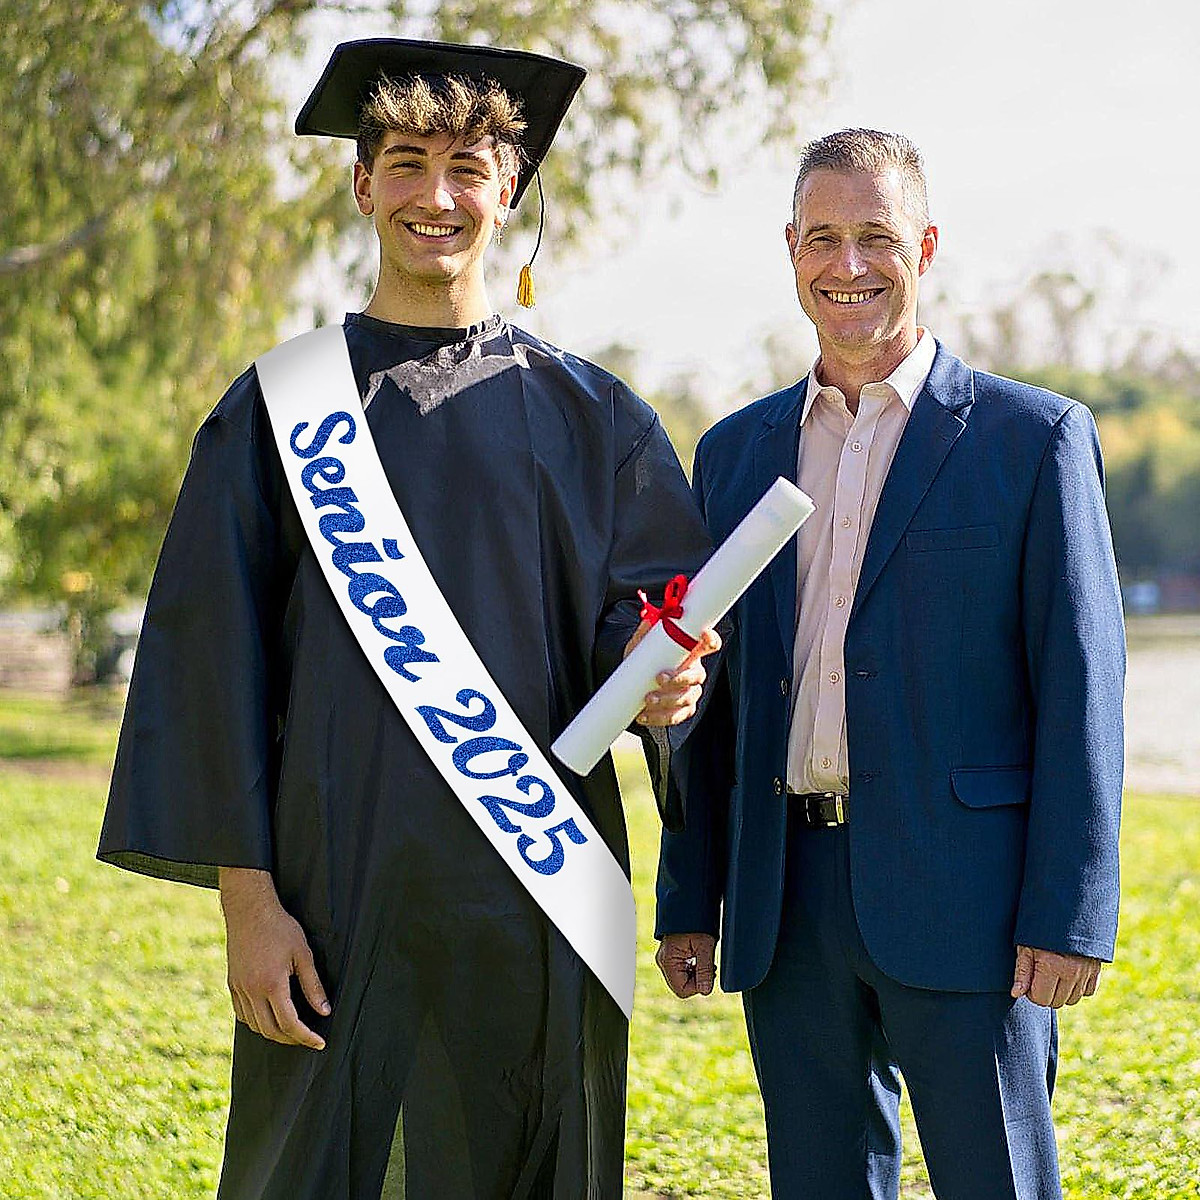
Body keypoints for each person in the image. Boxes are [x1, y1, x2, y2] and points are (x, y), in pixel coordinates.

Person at [99, 39, 716, 1200]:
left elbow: (646, 650)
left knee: (530, 1158)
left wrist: (668, 689)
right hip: (334, 896)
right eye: (406, 161)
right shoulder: (280, 410)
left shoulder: (599, 423)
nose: (439, 196)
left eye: (471, 168)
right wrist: (247, 906)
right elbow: (208, 668)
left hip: (537, 885)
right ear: (362, 184)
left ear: (511, 189)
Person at [654, 128, 1124, 1199]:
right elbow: (707, 695)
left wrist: (1071, 911)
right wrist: (692, 895)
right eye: (824, 237)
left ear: (927, 243)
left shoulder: (1033, 438)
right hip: (788, 899)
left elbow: (1083, 689)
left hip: (972, 900)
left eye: (877, 235)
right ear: (790, 249)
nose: (849, 264)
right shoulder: (732, 453)